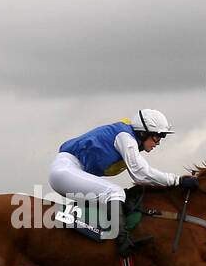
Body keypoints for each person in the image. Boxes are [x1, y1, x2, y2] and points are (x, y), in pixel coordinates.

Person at [49, 110, 198, 257]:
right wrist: (178, 180)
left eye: (162, 137)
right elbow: (141, 173)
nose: (158, 142)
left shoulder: (128, 137)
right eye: (156, 136)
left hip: (71, 170)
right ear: (142, 133)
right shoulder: (125, 137)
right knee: (114, 192)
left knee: (120, 197)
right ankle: (121, 241)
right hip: (65, 169)